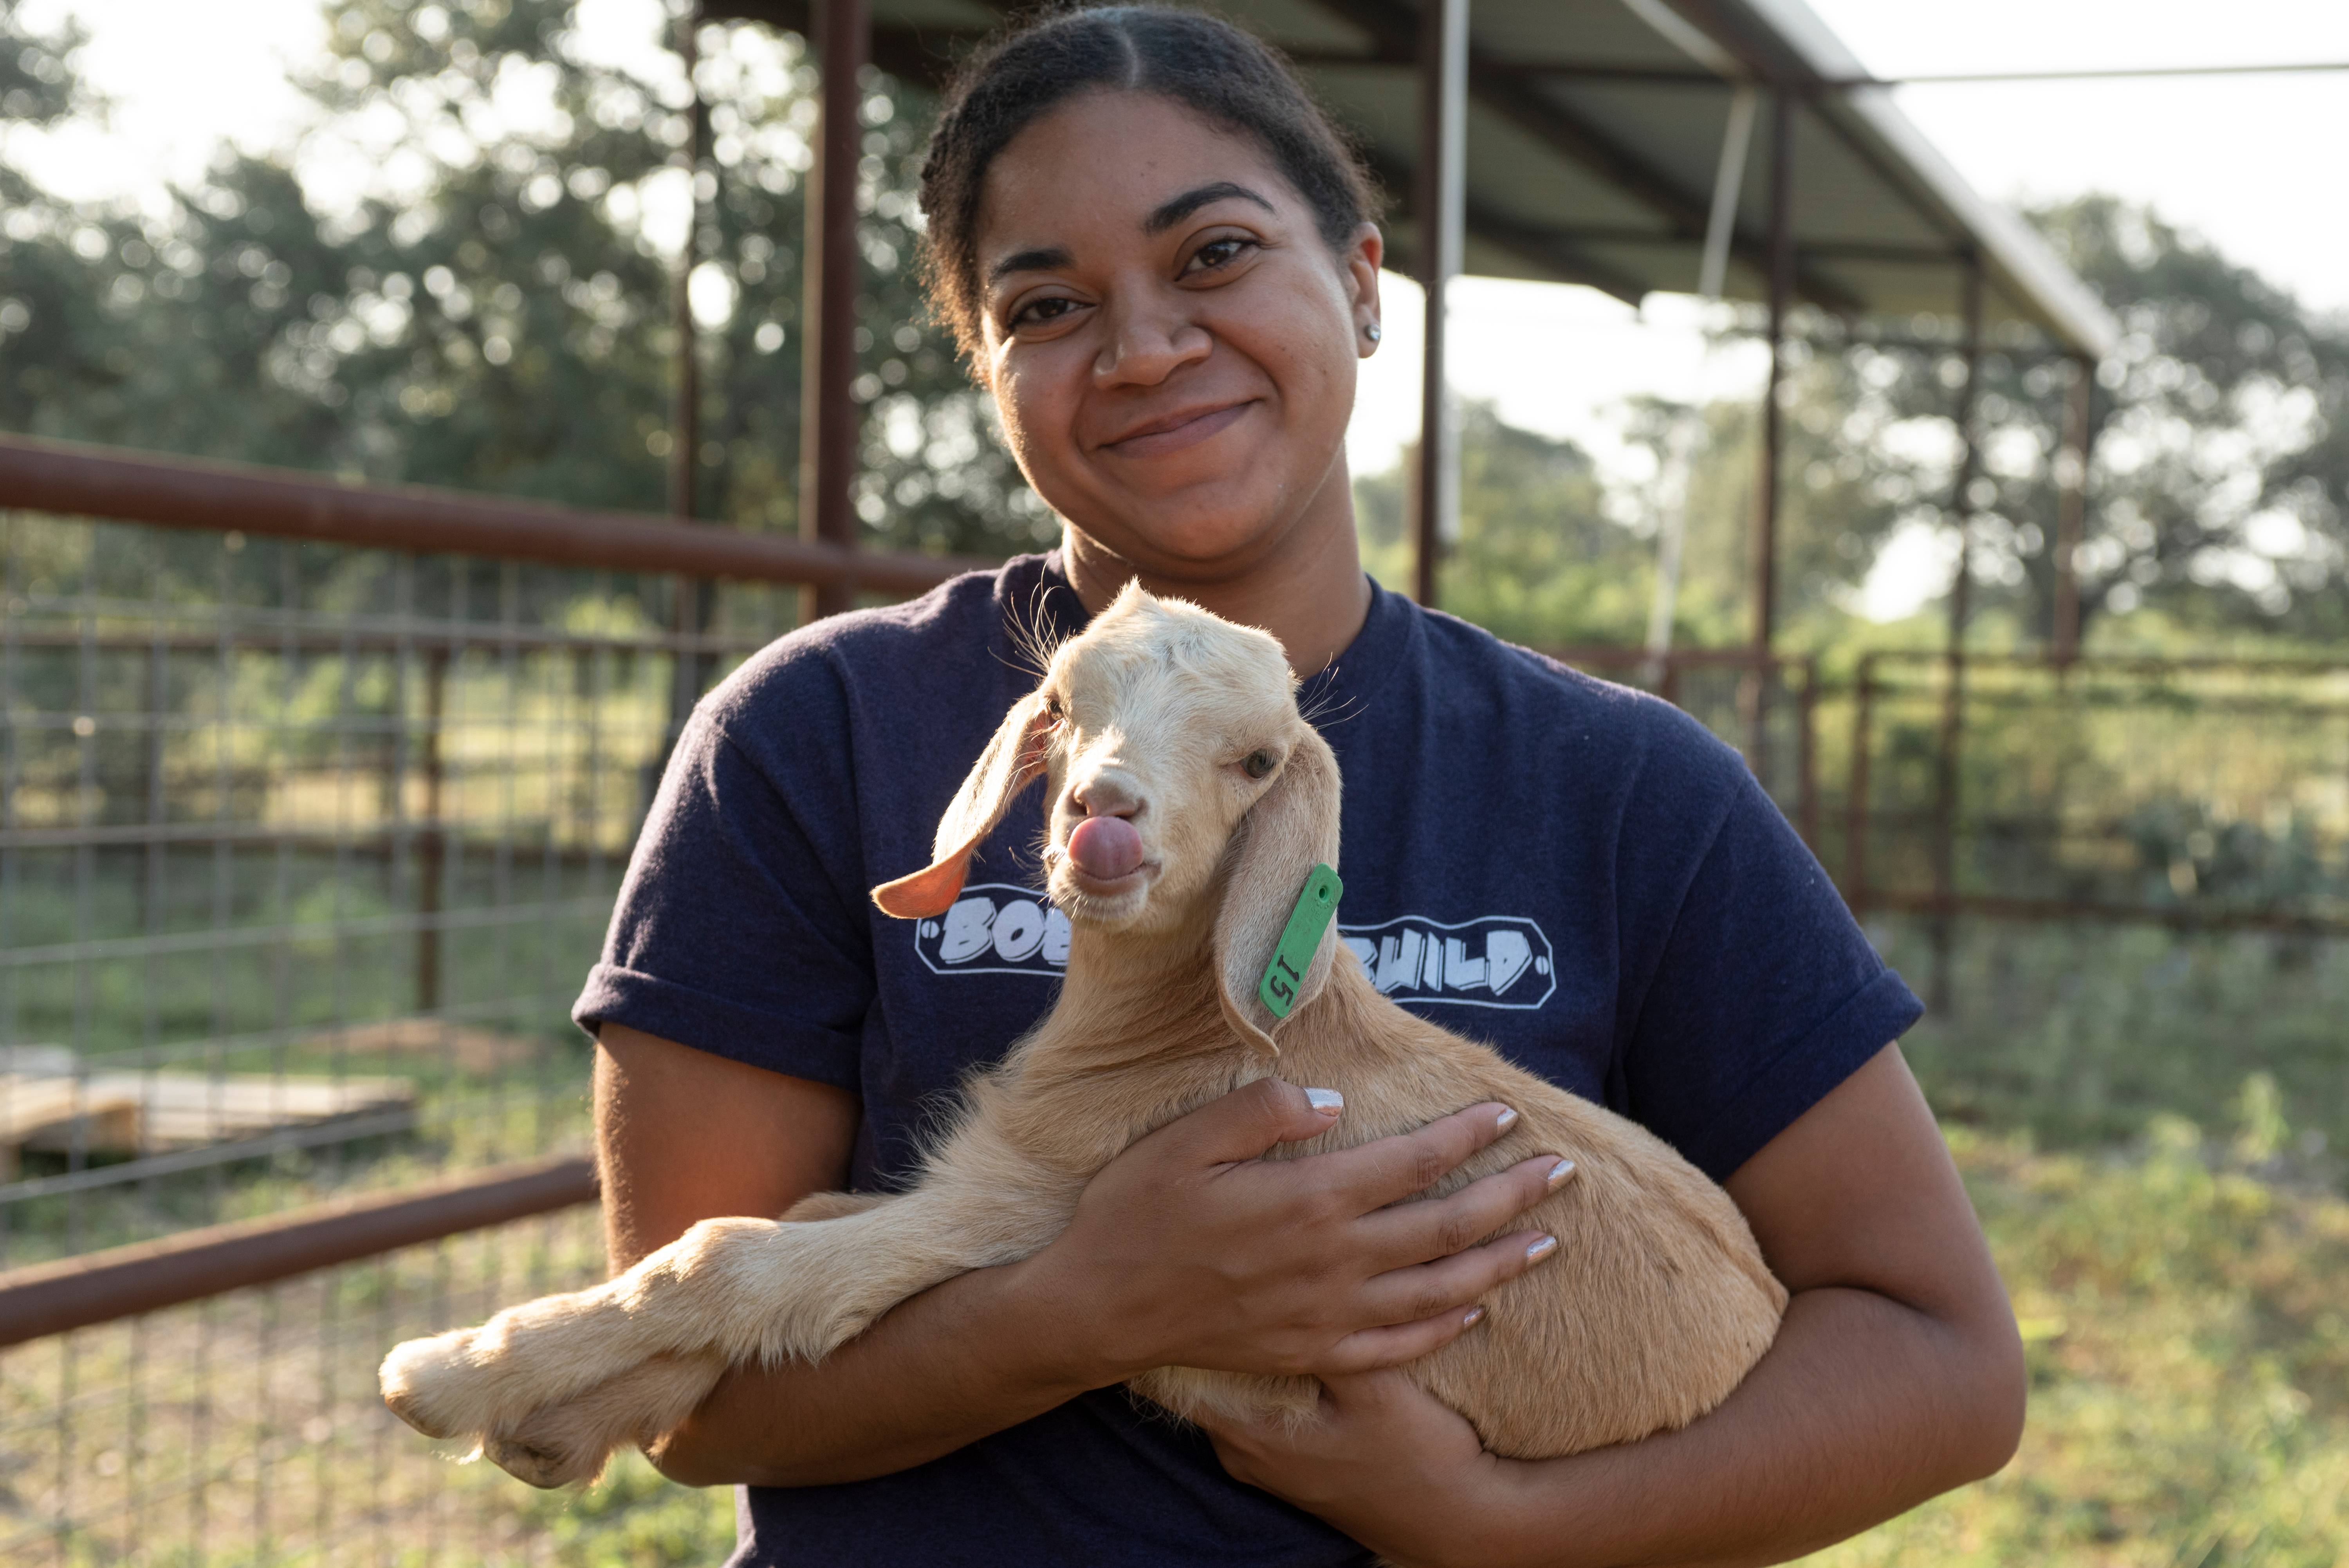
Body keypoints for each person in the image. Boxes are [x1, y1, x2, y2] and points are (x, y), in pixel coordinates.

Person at [572, 8, 2024, 1566]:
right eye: (1050, 303)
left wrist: (1501, 1524)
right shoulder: (817, 737)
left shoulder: (1618, 786)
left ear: (1360, 283)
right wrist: (1086, 1306)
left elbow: (1939, 1362)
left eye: (1213, 256)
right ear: (986, 364)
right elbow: (683, 1392)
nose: (1142, 347)